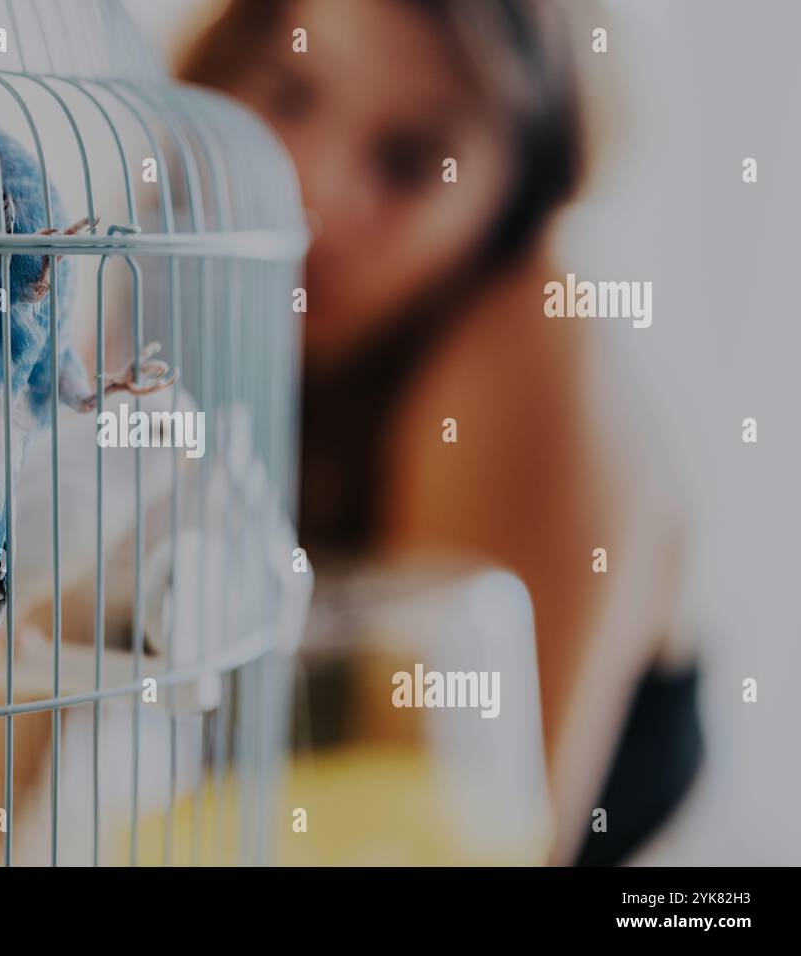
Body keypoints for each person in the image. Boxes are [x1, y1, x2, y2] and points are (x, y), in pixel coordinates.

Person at [180, 0, 702, 865]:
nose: (317, 192)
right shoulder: (174, 311)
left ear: (514, 200)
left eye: (413, 158)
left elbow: (438, 845)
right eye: (289, 94)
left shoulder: (537, 334)